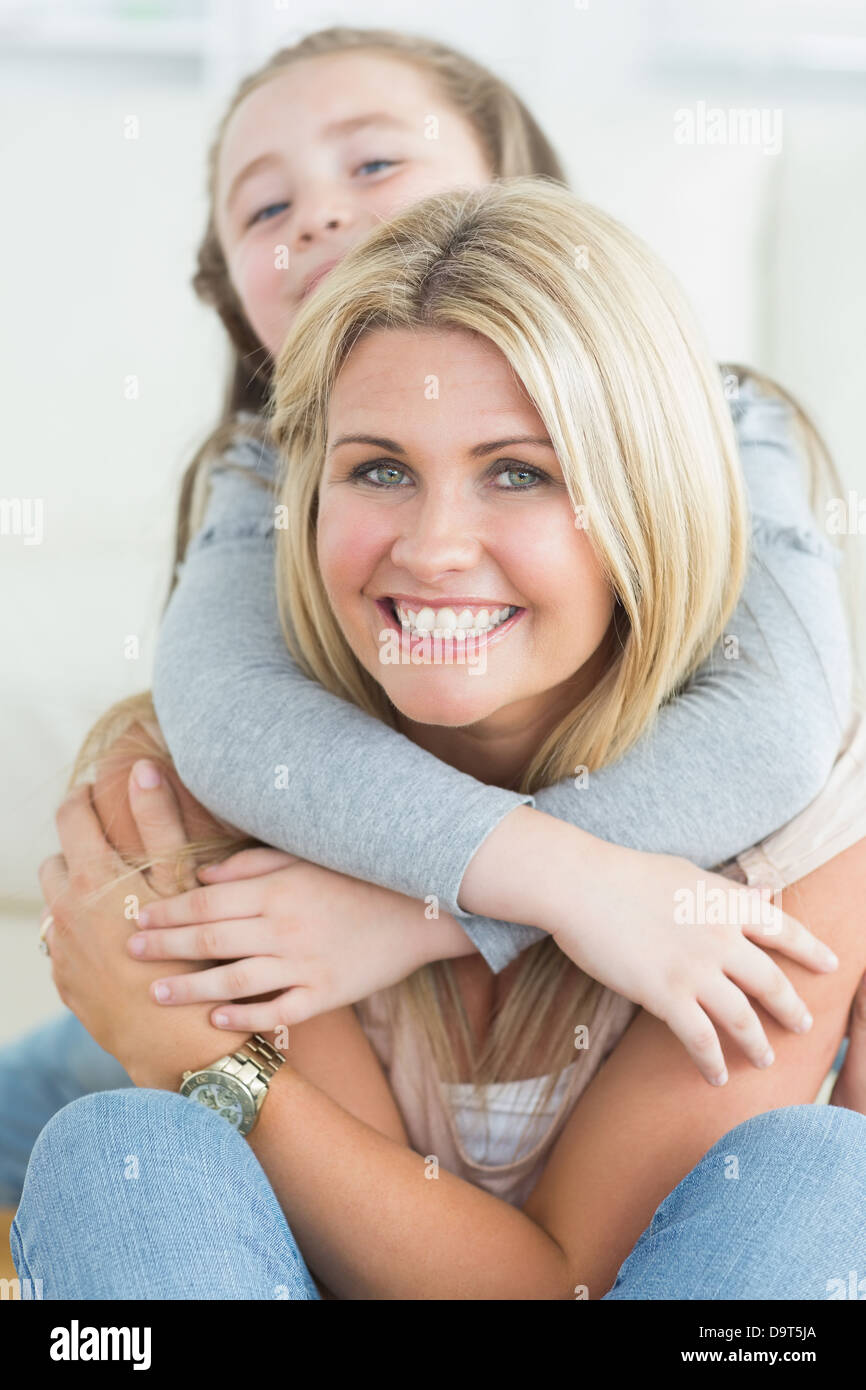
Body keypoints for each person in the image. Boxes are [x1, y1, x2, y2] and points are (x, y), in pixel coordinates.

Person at [18, 178, 866, 1299]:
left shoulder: (798, 827)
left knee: (823, 1173)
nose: (430, 548)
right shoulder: (224, 789)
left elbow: (548, 1286)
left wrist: (205, 1064)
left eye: (517, 472)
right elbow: (379, 1271)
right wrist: (192, 1081)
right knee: (115, 1156)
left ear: (649, 505)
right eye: (379, 469)